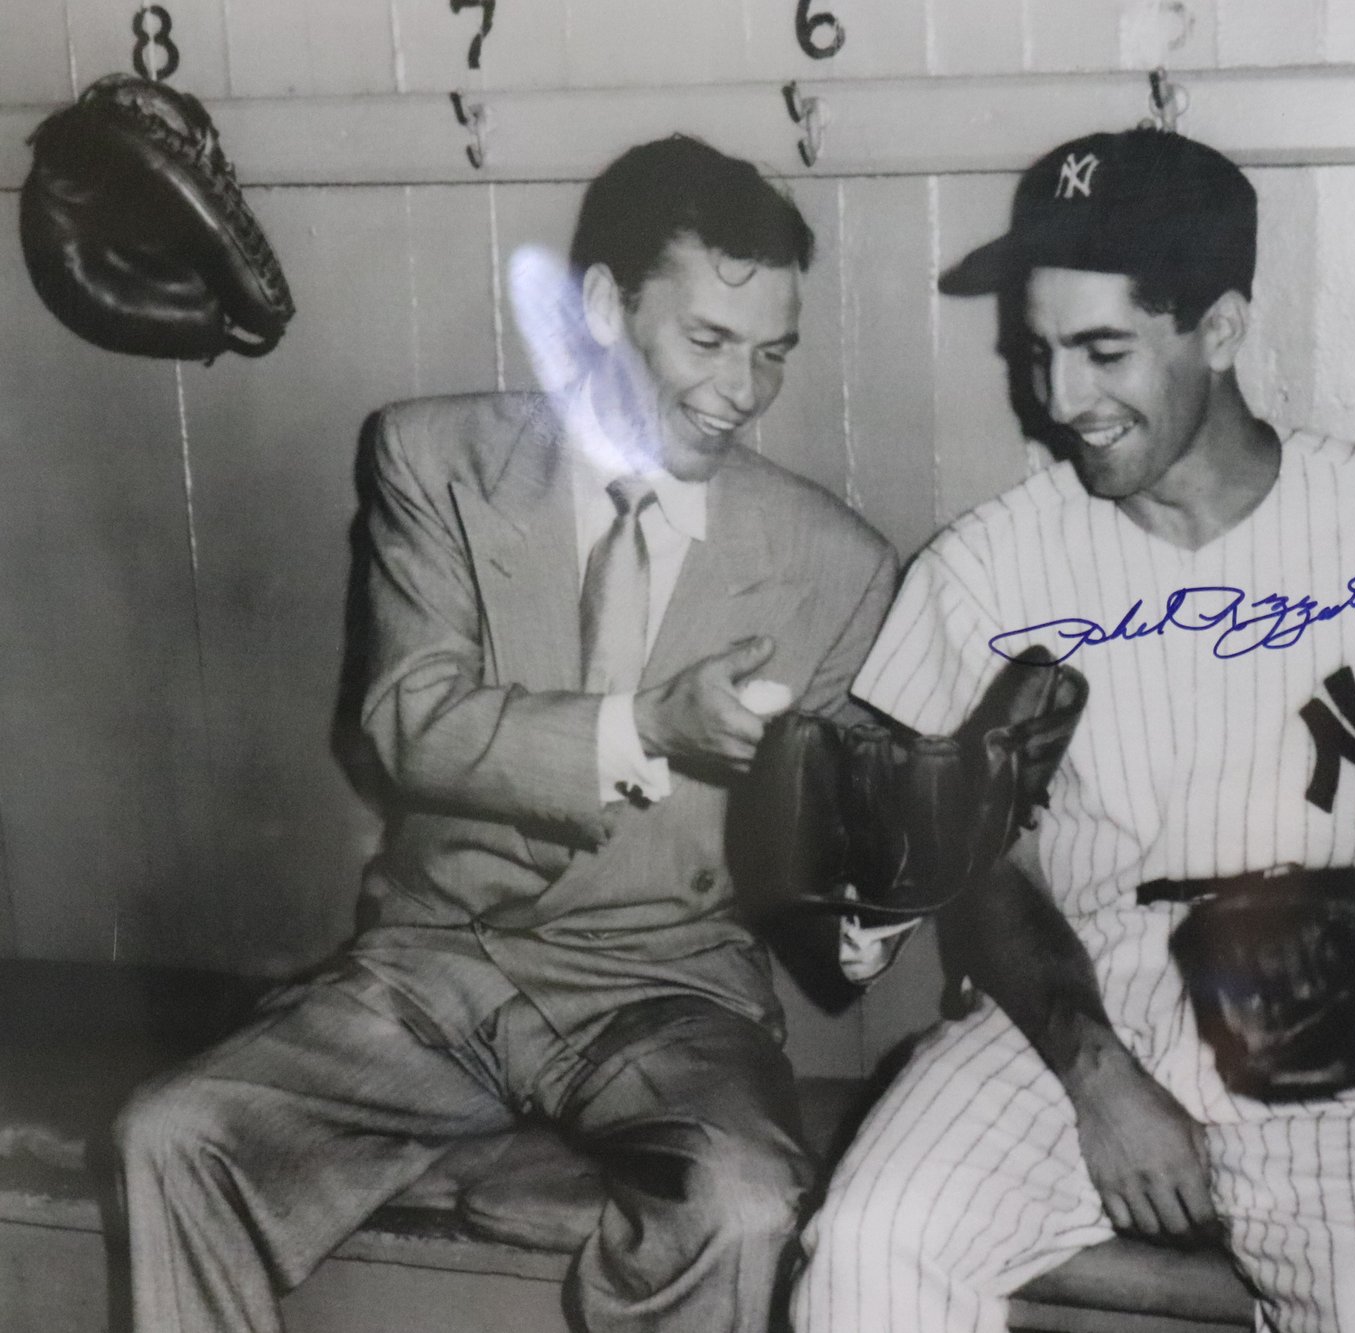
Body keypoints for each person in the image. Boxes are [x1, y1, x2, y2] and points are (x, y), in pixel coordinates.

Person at [792, 128, 1355, 1333]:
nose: (1061, 400)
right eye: (1038, 353)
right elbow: (964, 863)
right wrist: (1095, 1074)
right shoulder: (989, 561)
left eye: (1103, 351)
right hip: (1072, 1003)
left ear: (1222, 329)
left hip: (1340, 1003)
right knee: (868, 1249)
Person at [114, 134, 897, 1333]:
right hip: (435, 965)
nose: (741, 389)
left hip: (668, 985)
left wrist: (868, 909)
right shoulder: (433, 458)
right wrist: (644, 725)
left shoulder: (835, 564)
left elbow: (817, 861)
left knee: (742, 1203)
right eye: (706, 339)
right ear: (597, 306)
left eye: (772, 352)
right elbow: (407, 725)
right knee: (171, 1134)